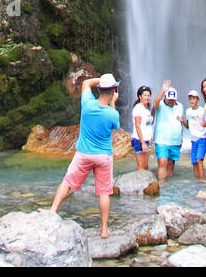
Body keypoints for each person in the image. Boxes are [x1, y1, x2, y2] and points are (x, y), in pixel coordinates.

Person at [49, 73, 120, 237]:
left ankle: (52, 211)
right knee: (104, 192)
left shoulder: (87, 104)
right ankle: (103, 228)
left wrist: (100, 80)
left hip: (84, 154)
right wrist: (113, 103)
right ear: (113, 91)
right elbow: (115, 127)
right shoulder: (112, 114)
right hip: (103, 156)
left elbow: (86, 83)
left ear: (100, 90)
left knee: (67, 182)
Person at [151, 79, 186, 182]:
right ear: (165, 97)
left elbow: (180, 123)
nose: (171, 101)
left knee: (171, 165)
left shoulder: (180, 106)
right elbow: (155, 103)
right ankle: (161, 184)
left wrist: (181, 140)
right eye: (169, 99)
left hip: (175, 141)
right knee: (162, 162)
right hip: (162, 140)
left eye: (173, 99)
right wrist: (163, 90)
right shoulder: (160, 105)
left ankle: (169, 187)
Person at [130, 85, 154, 171]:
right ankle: (139, 183)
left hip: (145, 140)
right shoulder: (138, 108)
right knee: (141, 166)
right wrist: (142, 142)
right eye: (145, 95)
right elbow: (137, 126)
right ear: (140, 97)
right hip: (139, 140)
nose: (147, 97)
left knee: (145, 166)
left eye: (148, 95)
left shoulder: (147, 109)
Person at [185, 87, 206, 179]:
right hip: (193, 139)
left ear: (197, 99)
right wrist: (182, 121)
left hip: (202, 138)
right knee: (194, 162)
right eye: (190, 98)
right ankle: (197, 180)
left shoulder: (202, 110)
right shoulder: (188, 111)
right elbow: (188, 126)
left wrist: (204, 124)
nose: (192, 100)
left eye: (194, 98)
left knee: (199, 160)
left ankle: (202, 180)